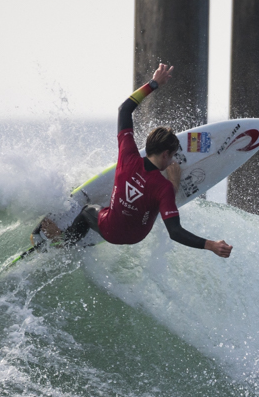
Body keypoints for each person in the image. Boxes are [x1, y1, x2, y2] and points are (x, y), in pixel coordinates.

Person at [35, 64, 232, 258]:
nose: (171, 159)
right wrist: (211, 245)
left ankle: (66, 241)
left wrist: (154, 83)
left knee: (88, 211)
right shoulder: (164, 188)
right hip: (136, 235)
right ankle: (72, 239)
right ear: (165, 154)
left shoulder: (128, 155)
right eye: (172, 155)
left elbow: (124, 110)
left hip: (110, 228)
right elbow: (175, 232)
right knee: (158, 200)